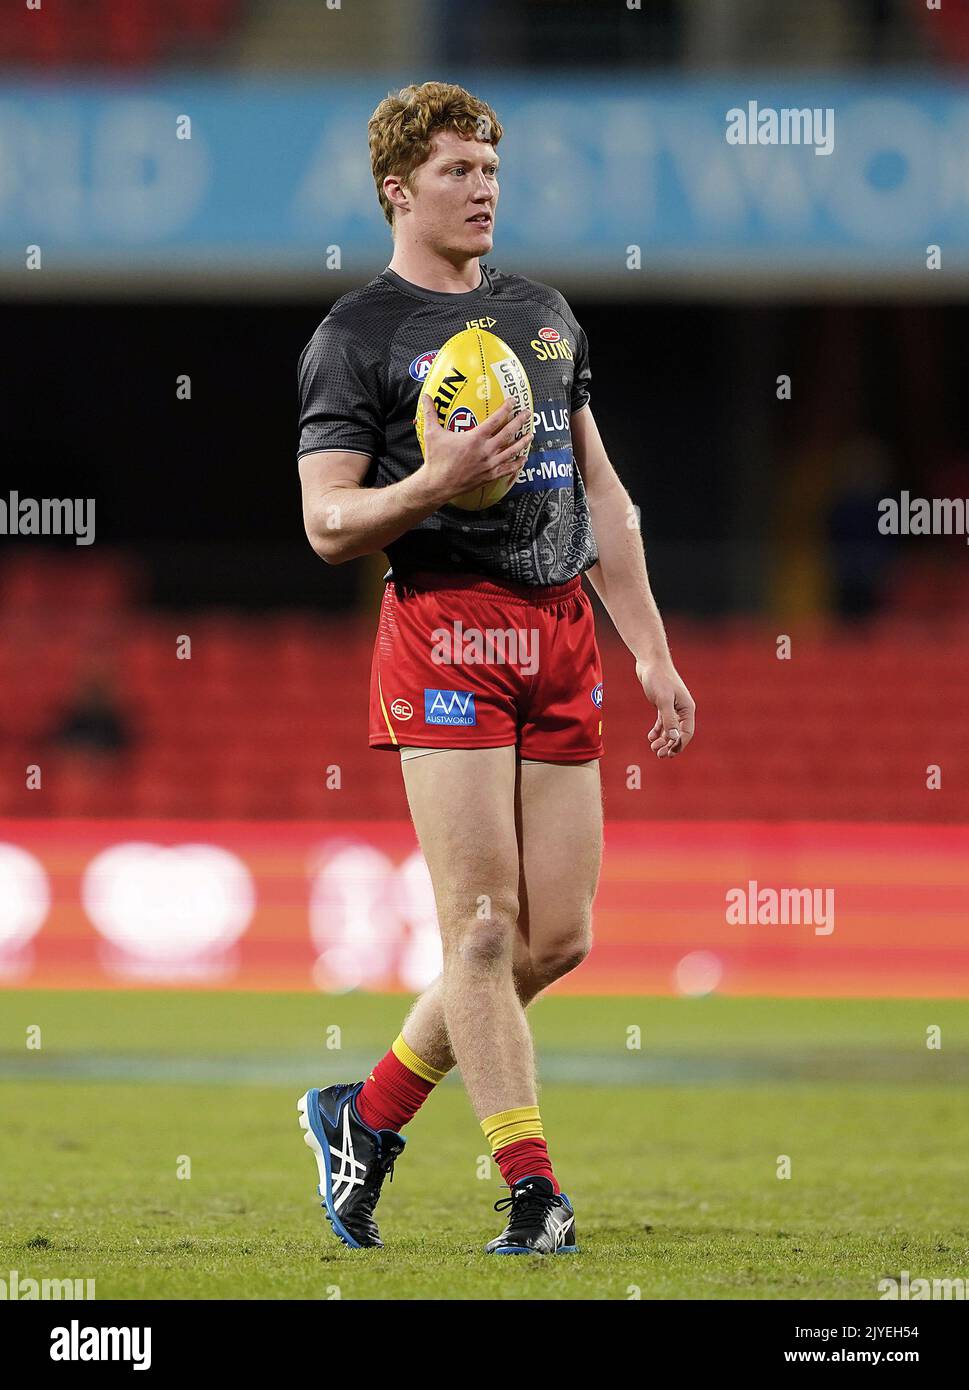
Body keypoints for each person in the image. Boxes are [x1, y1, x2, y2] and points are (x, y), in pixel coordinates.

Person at [295, 80, 695, 1255]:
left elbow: (603, 496)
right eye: (459, 172)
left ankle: (361, 1117)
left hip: (561, 629)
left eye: (491, 172)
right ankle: (534, 1191)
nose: (484, 191)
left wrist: (654, 655)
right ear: (396, 191)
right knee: (479, 929)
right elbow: (327, 524)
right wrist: (432, 479)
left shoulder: (545, 315)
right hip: (445, 628)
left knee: (553, 940)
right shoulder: (354, 339)